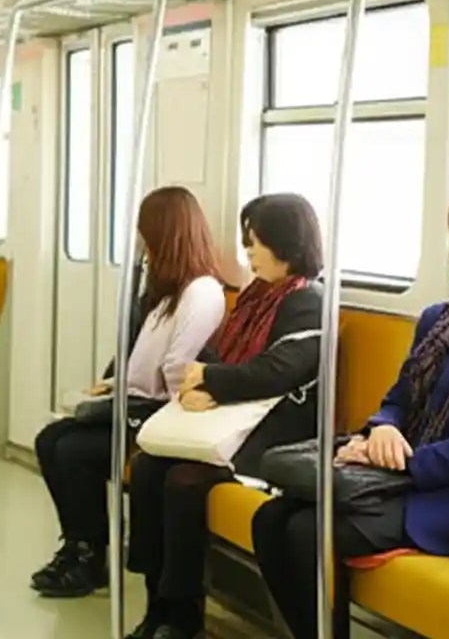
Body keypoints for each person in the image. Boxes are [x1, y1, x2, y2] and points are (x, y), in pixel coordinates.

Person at [250, 188, 449, 639]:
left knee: (306, 531)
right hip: (396, 476)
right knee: (269, 519)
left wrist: (405, 463)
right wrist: (383, 429)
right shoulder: (437, 319)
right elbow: (398, 397)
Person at [125, 193, 324, 639]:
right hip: (232, 417)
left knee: (183, 482)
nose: (249, 251)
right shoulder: (256, 296)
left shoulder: (309, 301)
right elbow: (222, 352)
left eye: (256, 242)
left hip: (272, 432)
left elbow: (280, 370)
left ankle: (184, 614)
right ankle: (157, 600)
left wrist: (211, 382)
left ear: (286, 243)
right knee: (149, 468)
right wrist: (203, 383)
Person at [32, 186, 226, 599]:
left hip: (162, 412)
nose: (143, 248)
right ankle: (81, 547)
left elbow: (176, 368)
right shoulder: (164, 295)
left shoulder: (202, 292)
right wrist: (113, 382)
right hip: (140, 402)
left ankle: (88, 557)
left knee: (72, 450)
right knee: (50, 440)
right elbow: (137, 355)